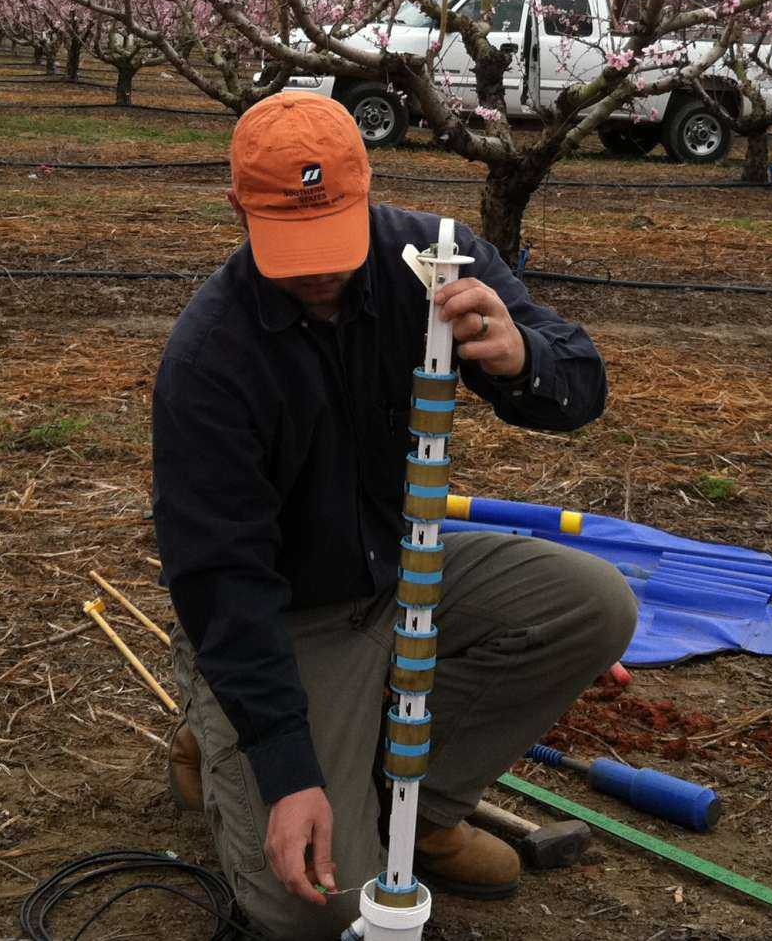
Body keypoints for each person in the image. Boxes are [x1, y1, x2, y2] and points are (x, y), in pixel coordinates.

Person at [153, 91, 636, 940]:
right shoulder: (211, 356)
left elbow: (582, 385)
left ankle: (430, 807)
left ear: (368, 184)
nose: (318, 268)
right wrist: (286, 762)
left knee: (593, 601)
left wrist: (523, 357)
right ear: (238, 208)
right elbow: (224, 580)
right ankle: (219, 730)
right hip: (288, 615)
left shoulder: (438, 260)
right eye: (291, 242)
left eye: (332, 232)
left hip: (405, 570)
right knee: (320, 910)